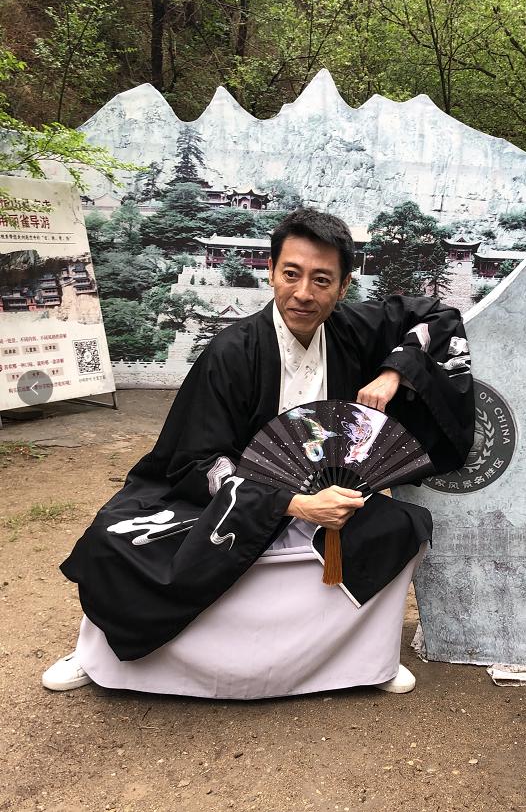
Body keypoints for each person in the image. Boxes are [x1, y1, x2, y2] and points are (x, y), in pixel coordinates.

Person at [42, 208, 474, 698]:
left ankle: (368, 659)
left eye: (322, 279)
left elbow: (440, 317)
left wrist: (396, 371)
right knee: (115, 540)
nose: (304, 293)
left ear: (344, 286)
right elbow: (196, 461)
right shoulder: (232, 351)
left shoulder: (355, 330)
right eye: (291, 274)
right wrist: (288, 504)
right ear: (270, 271)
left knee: (401, 529)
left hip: (327, 495)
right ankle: (98, 650)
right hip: (234, 500)